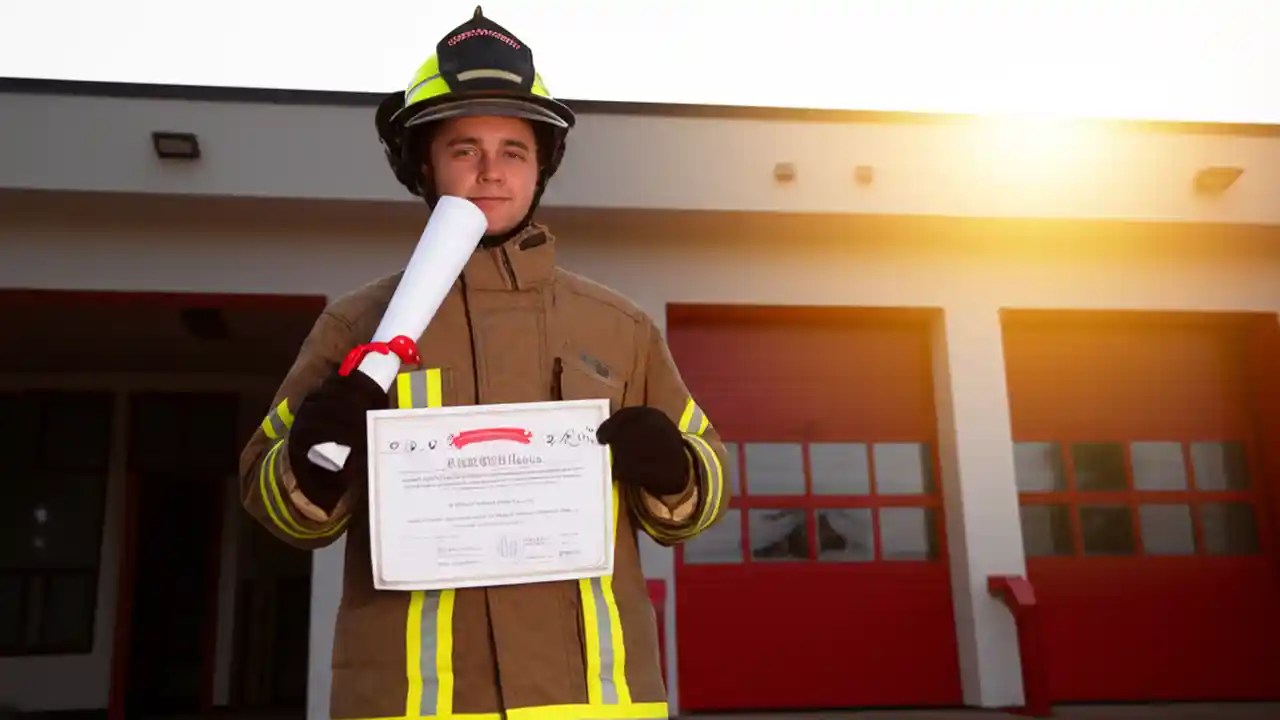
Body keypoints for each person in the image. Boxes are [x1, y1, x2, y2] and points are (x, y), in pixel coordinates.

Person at [238, 7, 730, 720]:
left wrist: (676, 470)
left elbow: (702, 495)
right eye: (465, 148)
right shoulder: (355, 326)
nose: (491, 172)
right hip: (414, 707)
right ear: (425, 164)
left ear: (540, 169)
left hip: (592, 706)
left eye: (515, 151)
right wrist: (310, 466)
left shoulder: (619, 328)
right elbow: (274, 501)